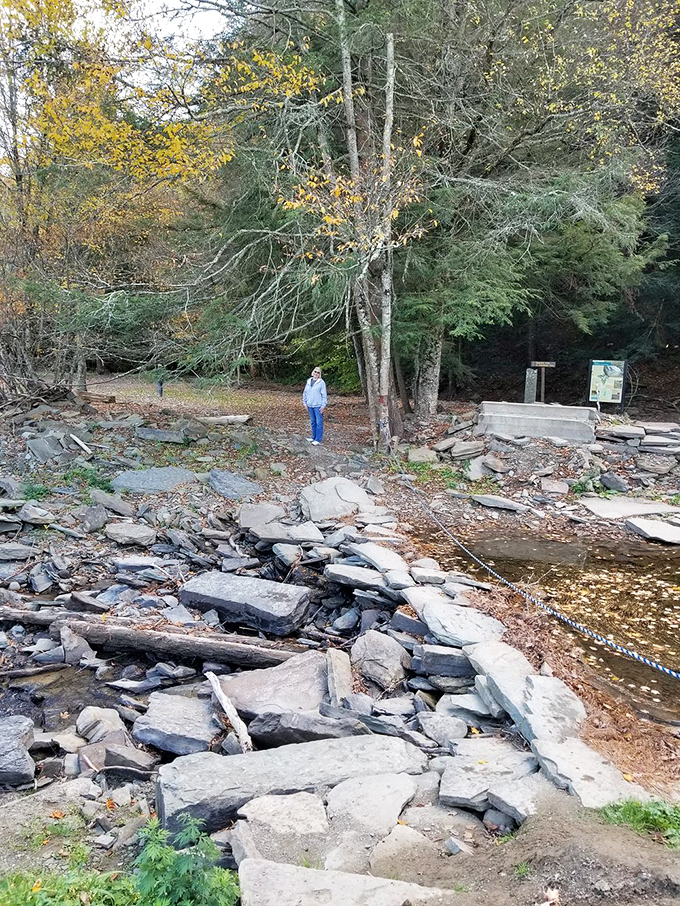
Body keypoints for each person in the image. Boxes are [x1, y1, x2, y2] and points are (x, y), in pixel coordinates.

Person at [302, 366, 327, 445]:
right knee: (313, 422)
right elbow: (305, 393)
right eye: (315, 372)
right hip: (310, 405)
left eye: (318, 372)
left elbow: (324, 395)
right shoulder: (309, 381)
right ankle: (313, 437)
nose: (316, 373)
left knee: (319, 422)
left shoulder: (321, 382)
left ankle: (318, 439)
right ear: (313, 372)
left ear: (320, 374)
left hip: (318, 405)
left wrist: (323, 406)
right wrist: (305, 403)